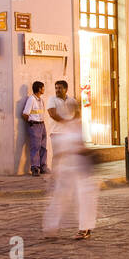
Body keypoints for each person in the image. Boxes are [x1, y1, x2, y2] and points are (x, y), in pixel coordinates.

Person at [43, 76, 96, 239]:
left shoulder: (78, 126)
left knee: (83, 196)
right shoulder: (64, 124)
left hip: (79, 167)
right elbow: (60, 151)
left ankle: (85, 228)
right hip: (66, 166)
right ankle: (50, 228)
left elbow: (83, 147)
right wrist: (57, 169)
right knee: (60, 196)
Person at [22, 81, 48, 176]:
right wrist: (31, 124)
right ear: (39, 89)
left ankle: (43, 167)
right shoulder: (31, 99)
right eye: (43, 88)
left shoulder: (41, 100)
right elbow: (25, 114)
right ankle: (35, 168)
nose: (44, 89)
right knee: (35, 147)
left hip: (42, 125)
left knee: (43, 147)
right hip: (35, 125)